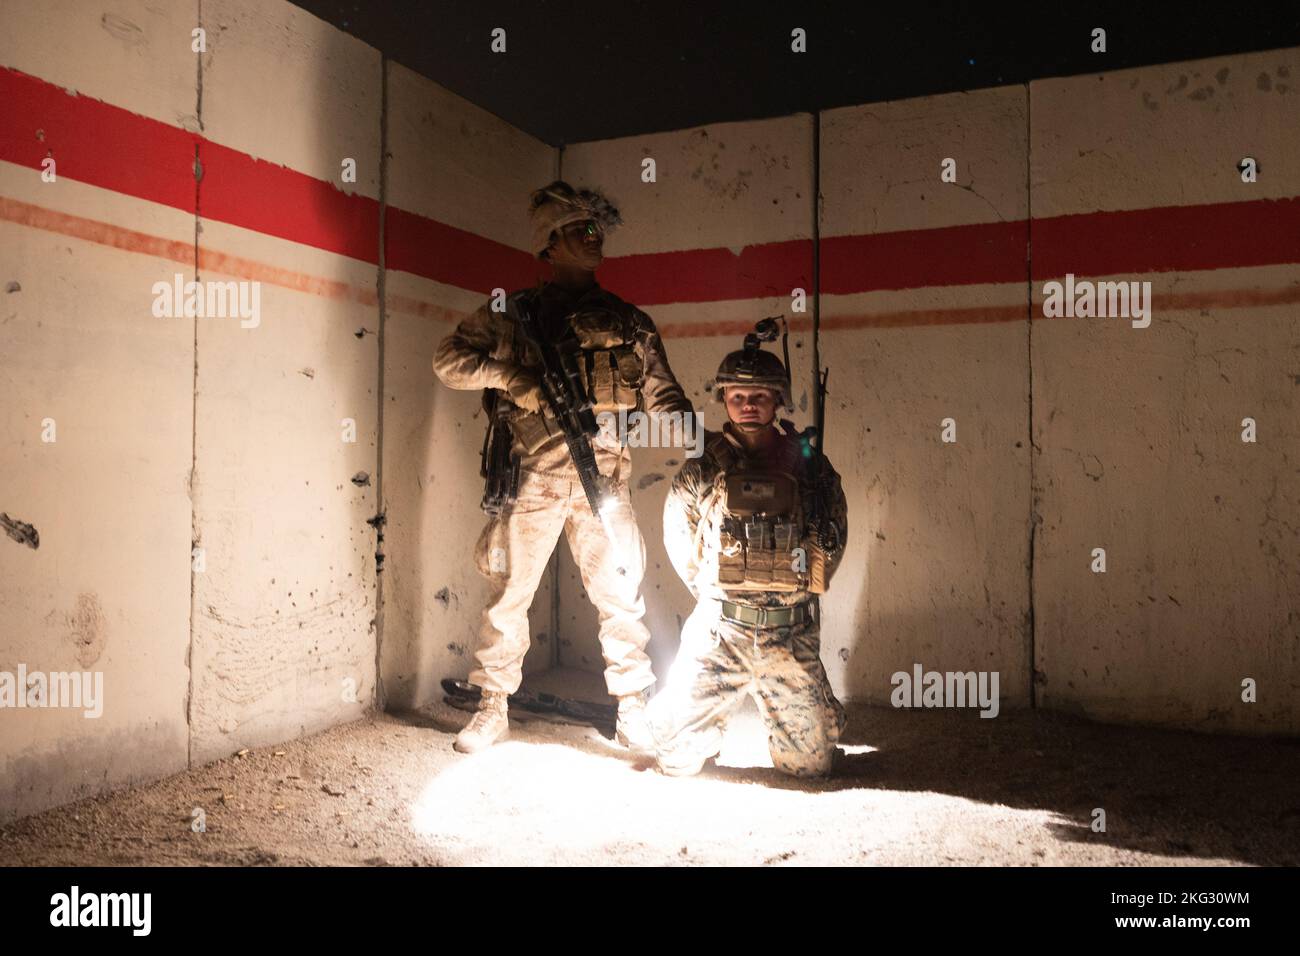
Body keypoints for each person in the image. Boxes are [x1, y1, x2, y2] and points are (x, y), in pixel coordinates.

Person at [432, 180, 695, 754]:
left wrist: (691, 430)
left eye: (596, 229)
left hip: (606, 482)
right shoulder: (514, 313)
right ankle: (492, 707)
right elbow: (448, 360)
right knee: (509, 597)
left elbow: (663, 392)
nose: (594, 238)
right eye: (579, 230)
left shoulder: (628, 320)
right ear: (549, 245)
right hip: (534, 480)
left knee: (621, 599)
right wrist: (510, 377)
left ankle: (633, 710)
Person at [647, 339, 848, 777]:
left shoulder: (811, 468)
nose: (748, 405)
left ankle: (820, 716)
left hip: (789, 634)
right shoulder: (703, 468)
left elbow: (834, 535)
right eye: (737, 396)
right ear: (724, 399)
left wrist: (793, 585)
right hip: (720, 631)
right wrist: (717, 592)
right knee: (674, 757)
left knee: (811, 766)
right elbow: (680, 538)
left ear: (778, 399)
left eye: (759, 396)